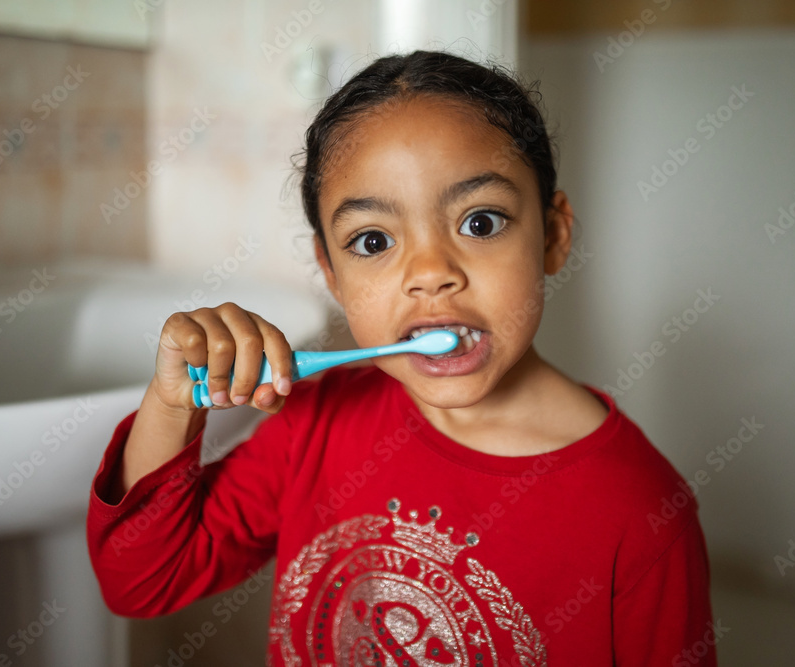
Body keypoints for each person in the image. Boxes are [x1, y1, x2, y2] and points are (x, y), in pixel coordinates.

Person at [87, 49, 717, 665]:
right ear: (331, 275)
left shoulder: (640, 510)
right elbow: (141, 581)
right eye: (372, 240)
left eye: (481, 223)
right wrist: (173, 407)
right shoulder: (316, 420)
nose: (430, 273)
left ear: (553, 235)